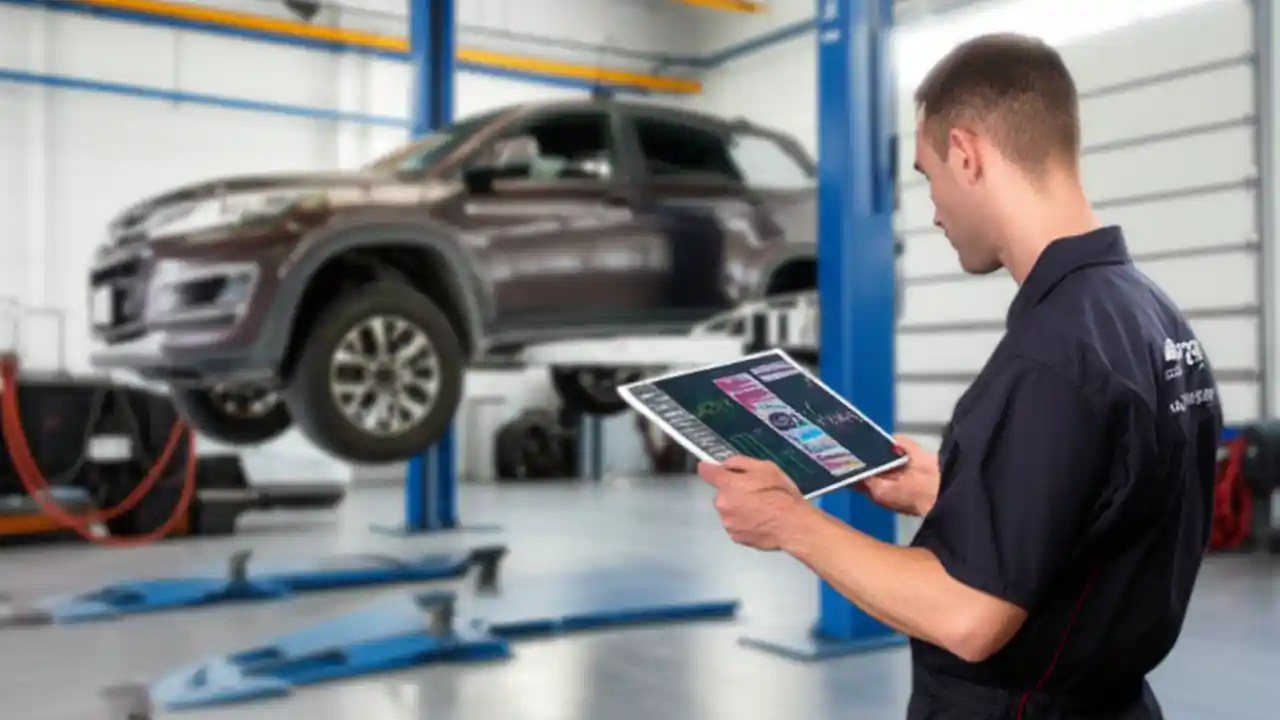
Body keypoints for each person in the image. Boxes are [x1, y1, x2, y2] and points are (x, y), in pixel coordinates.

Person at [698, 32, 1223, 720]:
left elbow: (968, 616)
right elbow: (1105, 507)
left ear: (967, 154)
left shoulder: (1051, 354)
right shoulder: (1151, 316)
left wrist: (789, 522)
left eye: (928, 173)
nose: (936, 207)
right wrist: (946, 493)